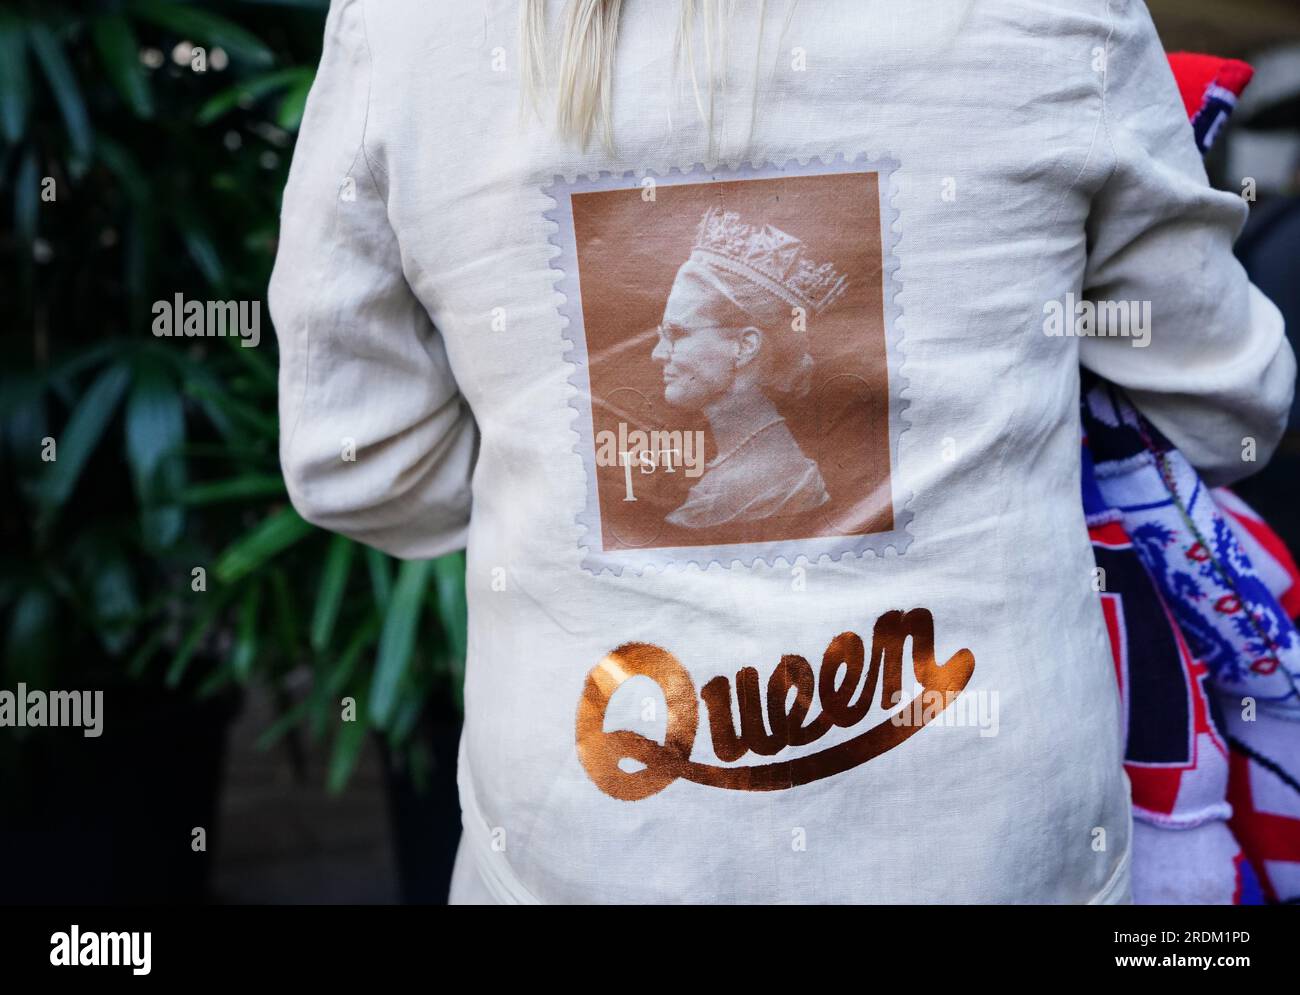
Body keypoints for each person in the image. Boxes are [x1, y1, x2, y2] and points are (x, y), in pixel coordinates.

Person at [269, 0, 1295, 904]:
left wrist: (545, 476)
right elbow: (1231, 403)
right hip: (992, 845)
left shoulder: (404, 29)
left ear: (754, 343)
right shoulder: (1052, 15)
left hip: (588, 844)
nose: (658, 346)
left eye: (681, 329)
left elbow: (357, 461)